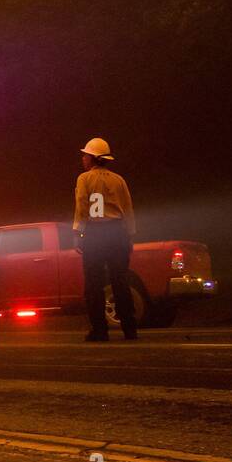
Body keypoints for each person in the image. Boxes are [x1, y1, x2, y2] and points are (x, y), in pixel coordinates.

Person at [73, 137, 138, 341]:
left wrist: (78, 233)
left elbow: (82, 207)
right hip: (118, 232)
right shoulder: (119, 179)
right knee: (120, 281)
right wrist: (129, 236)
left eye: (85, 155)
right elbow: (128, 210)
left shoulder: (84, 179)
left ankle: (100, 330)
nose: (83, 158)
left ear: (92, 158)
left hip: (96, 233)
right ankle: (130, 329)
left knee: (94, 283)